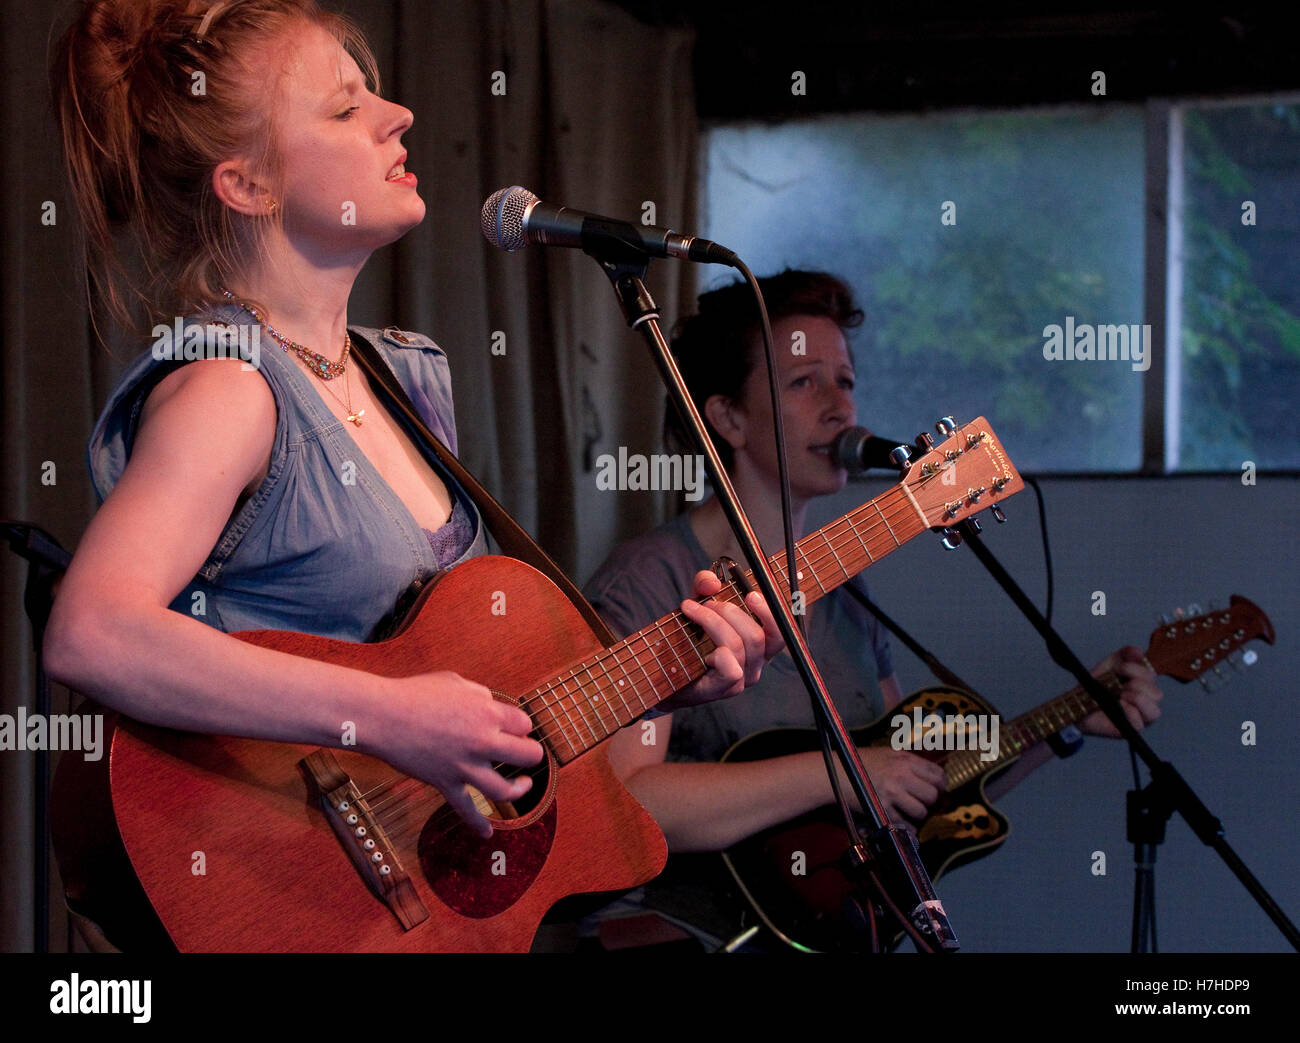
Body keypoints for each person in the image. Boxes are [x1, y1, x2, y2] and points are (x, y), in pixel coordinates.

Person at [42, 0, 780, 917]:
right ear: (249, 185)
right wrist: (386, 715)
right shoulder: (229, 387)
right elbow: (94, 632)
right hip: (277, 887)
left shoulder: (406, 376)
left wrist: (664, 679)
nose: (398, 117)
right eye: (346, 108)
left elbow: (469, 702)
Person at [583, 270, 1163, 947]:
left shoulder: (847, 593)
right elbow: (632, 799)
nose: (839, 408)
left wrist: (1066, 721)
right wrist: (847, 777)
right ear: (727, 417)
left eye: (847, 381)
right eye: (803, 382)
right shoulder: (653, 579)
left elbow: (908, 780)